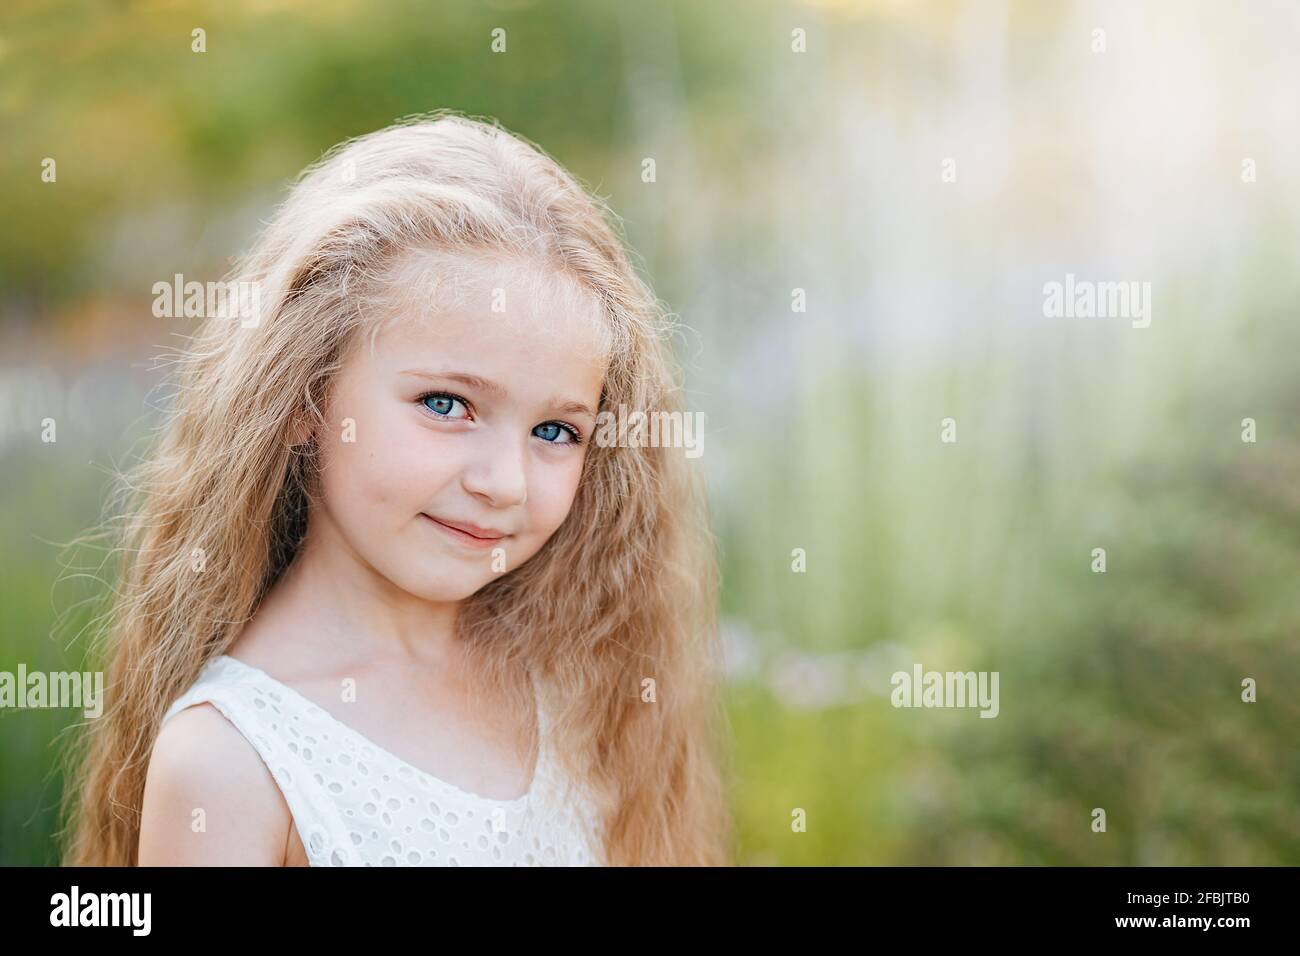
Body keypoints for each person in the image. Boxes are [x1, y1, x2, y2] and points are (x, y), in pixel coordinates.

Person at [60, 111, 731, 866]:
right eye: (446, 405)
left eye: (555, 432)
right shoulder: (230, 763)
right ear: (302, 400)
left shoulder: (577, 682)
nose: (503, 483)